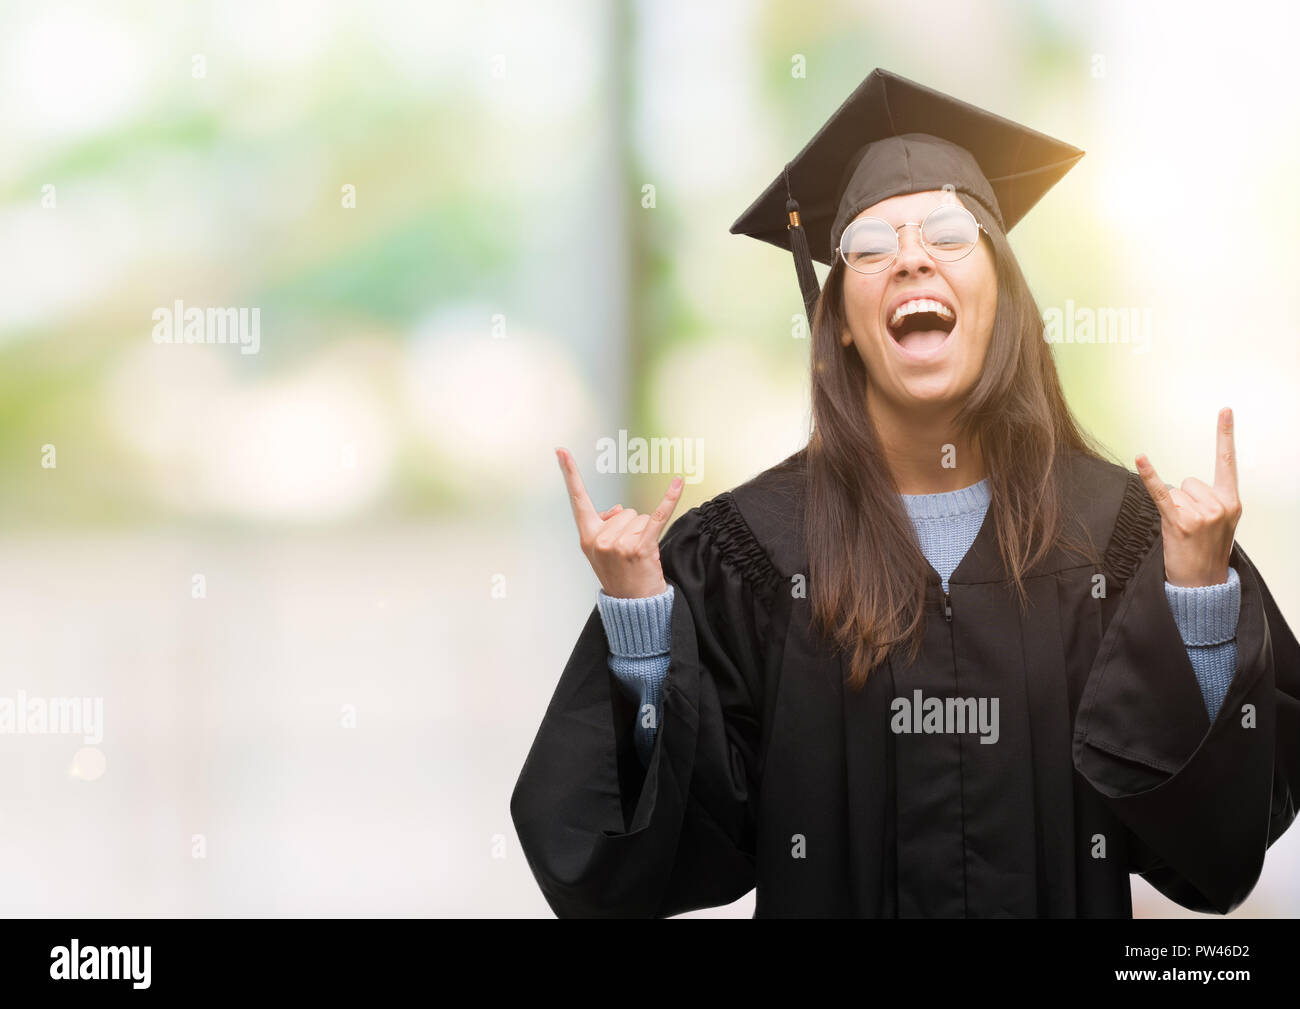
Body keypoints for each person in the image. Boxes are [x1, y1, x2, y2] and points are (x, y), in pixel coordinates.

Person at [510, 69, 1300, 918]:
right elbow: (627, 864)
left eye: (950, 233)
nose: (913, 256)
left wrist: (1200, 607)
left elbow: (1218, 850)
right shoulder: (750, 555)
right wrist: (639, 631)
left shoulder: (1118, 538)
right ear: (842, 317)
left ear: (1002, 294)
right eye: (872, 246)